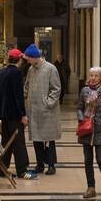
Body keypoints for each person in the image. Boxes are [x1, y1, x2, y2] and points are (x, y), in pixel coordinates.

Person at [0, 47, 34, 180]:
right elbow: (18, 96)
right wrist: (23, 115)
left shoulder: (1, 72)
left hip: (4, 114)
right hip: (14, 114)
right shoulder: (16, 73)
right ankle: (22, 170)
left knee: (6, 141)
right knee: (18, 141)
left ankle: (1, 169)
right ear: (19, 59)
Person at [77, 67, 101, 198]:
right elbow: (79, 108)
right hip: (86, 129)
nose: (92, 78)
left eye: (96, 76)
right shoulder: (84, 90)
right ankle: (91, 187)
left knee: (100, 160)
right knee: (88, 160)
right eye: (91, 75)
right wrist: (82, 118)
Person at [23, 43, 62, 174]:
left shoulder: (51, 68)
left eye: (28, 58)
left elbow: (56, 89)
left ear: (34, 57)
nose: (27, 61)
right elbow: (27, 86)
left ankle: (51, 165)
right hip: (33, 110)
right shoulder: (31, 69)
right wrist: (25, 99)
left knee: (49, 139)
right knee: (36, 139)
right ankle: (40, 164)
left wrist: (48, 103)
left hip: (47, 111)